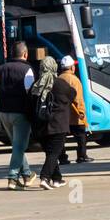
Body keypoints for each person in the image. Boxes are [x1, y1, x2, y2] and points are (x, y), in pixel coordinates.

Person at [0, 40, 37, 190]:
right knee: (20, 146)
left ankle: (27, 175)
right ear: (25, 54)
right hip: (21, 114)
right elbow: (31, 93)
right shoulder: (27, 69)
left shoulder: (0, 70)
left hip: (4, 114)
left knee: (17, 146)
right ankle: (12, 178)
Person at [33, 56, 75, 190]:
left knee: (51, 153)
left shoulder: (36, 85)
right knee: (54, 153)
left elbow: (30, 104)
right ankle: (45, 177)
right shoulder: (60, 83)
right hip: (58, 125)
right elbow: (72, 94)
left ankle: (57, 179)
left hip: (40, 126)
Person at [56, 56, 91, 165]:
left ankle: (63, 158)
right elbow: (78, 99)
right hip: (75, 115)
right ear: (71, 67)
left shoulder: (58, 79)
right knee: (81, 136)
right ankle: (82, 155)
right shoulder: (74, 80)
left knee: (61, 139)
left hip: (62, 115)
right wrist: (81, 112)